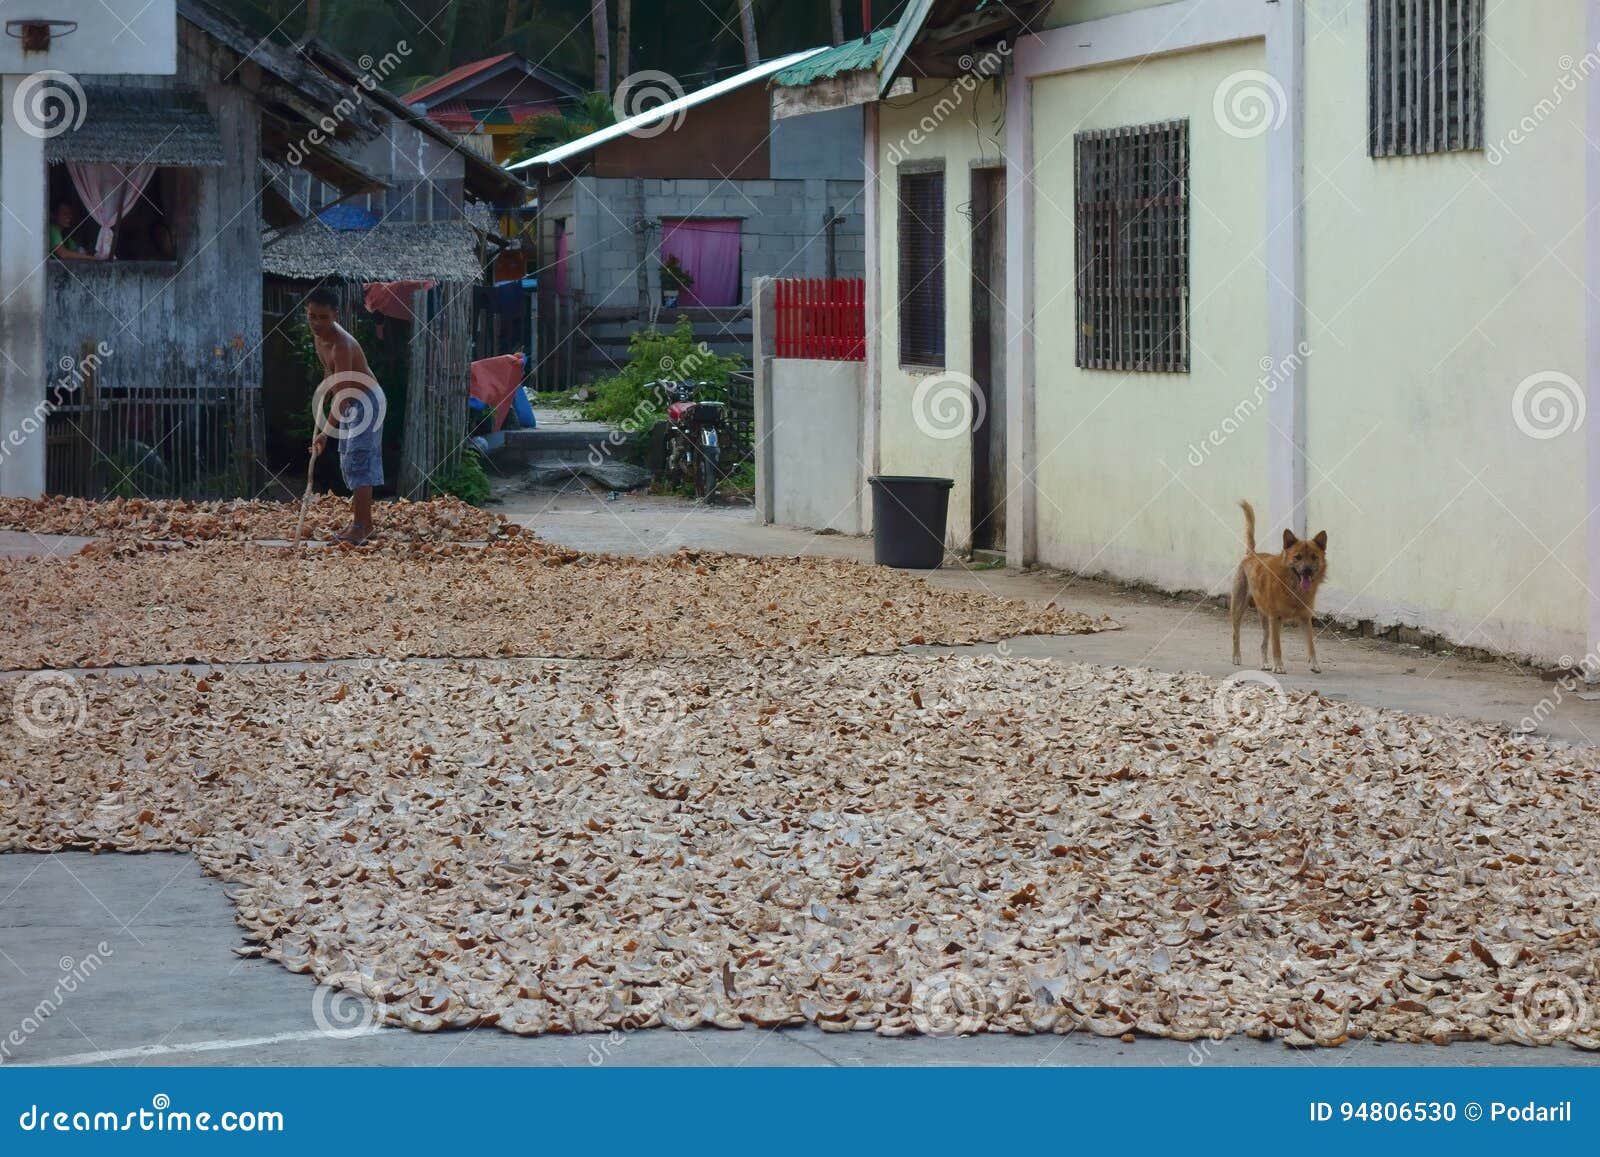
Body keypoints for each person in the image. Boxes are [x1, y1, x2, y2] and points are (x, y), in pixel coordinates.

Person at [306, 287, 384, 544]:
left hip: (367, 402)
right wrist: (324, 393)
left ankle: (361, 527)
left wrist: (325, 433)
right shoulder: (319, 338)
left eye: (323, 317)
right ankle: (363, 523)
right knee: (347, 461)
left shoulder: (342, 345)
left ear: (335, 315)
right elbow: (331, 375)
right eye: (312, 316)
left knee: (358, 460)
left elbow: (344, 398)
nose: (317, 323)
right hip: (349, 400)